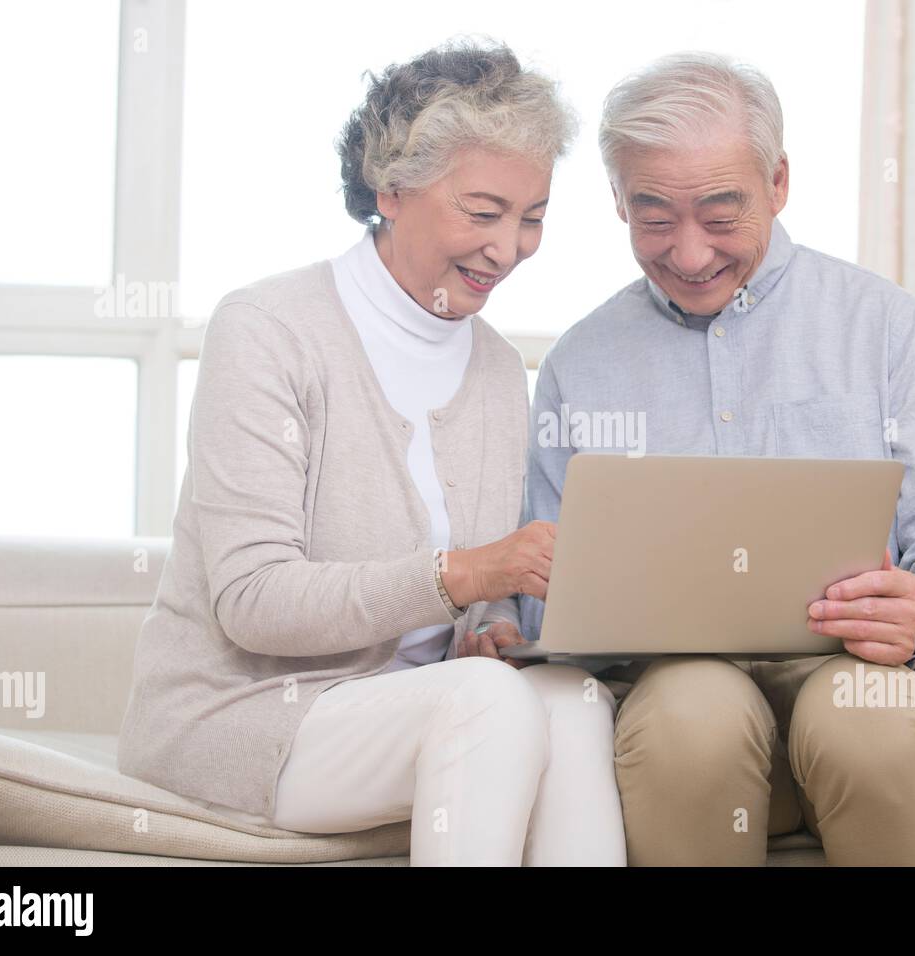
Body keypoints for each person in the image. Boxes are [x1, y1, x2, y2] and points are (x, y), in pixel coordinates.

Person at [116, 39, 625, 866]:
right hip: (248, 713)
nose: (509, 248)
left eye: (532, 218)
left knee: (573, 700)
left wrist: (486, 627)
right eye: (483, 211)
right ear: (391, 188)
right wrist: (462, 577)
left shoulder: (498, 369)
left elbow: (481, 595)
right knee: (488, 707)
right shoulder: (268, 330)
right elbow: (251, 600)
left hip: (424, 708)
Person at [520, 51, 915, 865]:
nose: (687, 253)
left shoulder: (882, 324)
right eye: (653, 217)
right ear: (616, 200)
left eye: (720, 214)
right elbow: (547, 583)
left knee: (861, 716)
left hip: (868, 681)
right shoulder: (580, 362)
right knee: (689, 715)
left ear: (778, 183)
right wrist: (507, 620)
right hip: (678, 697)